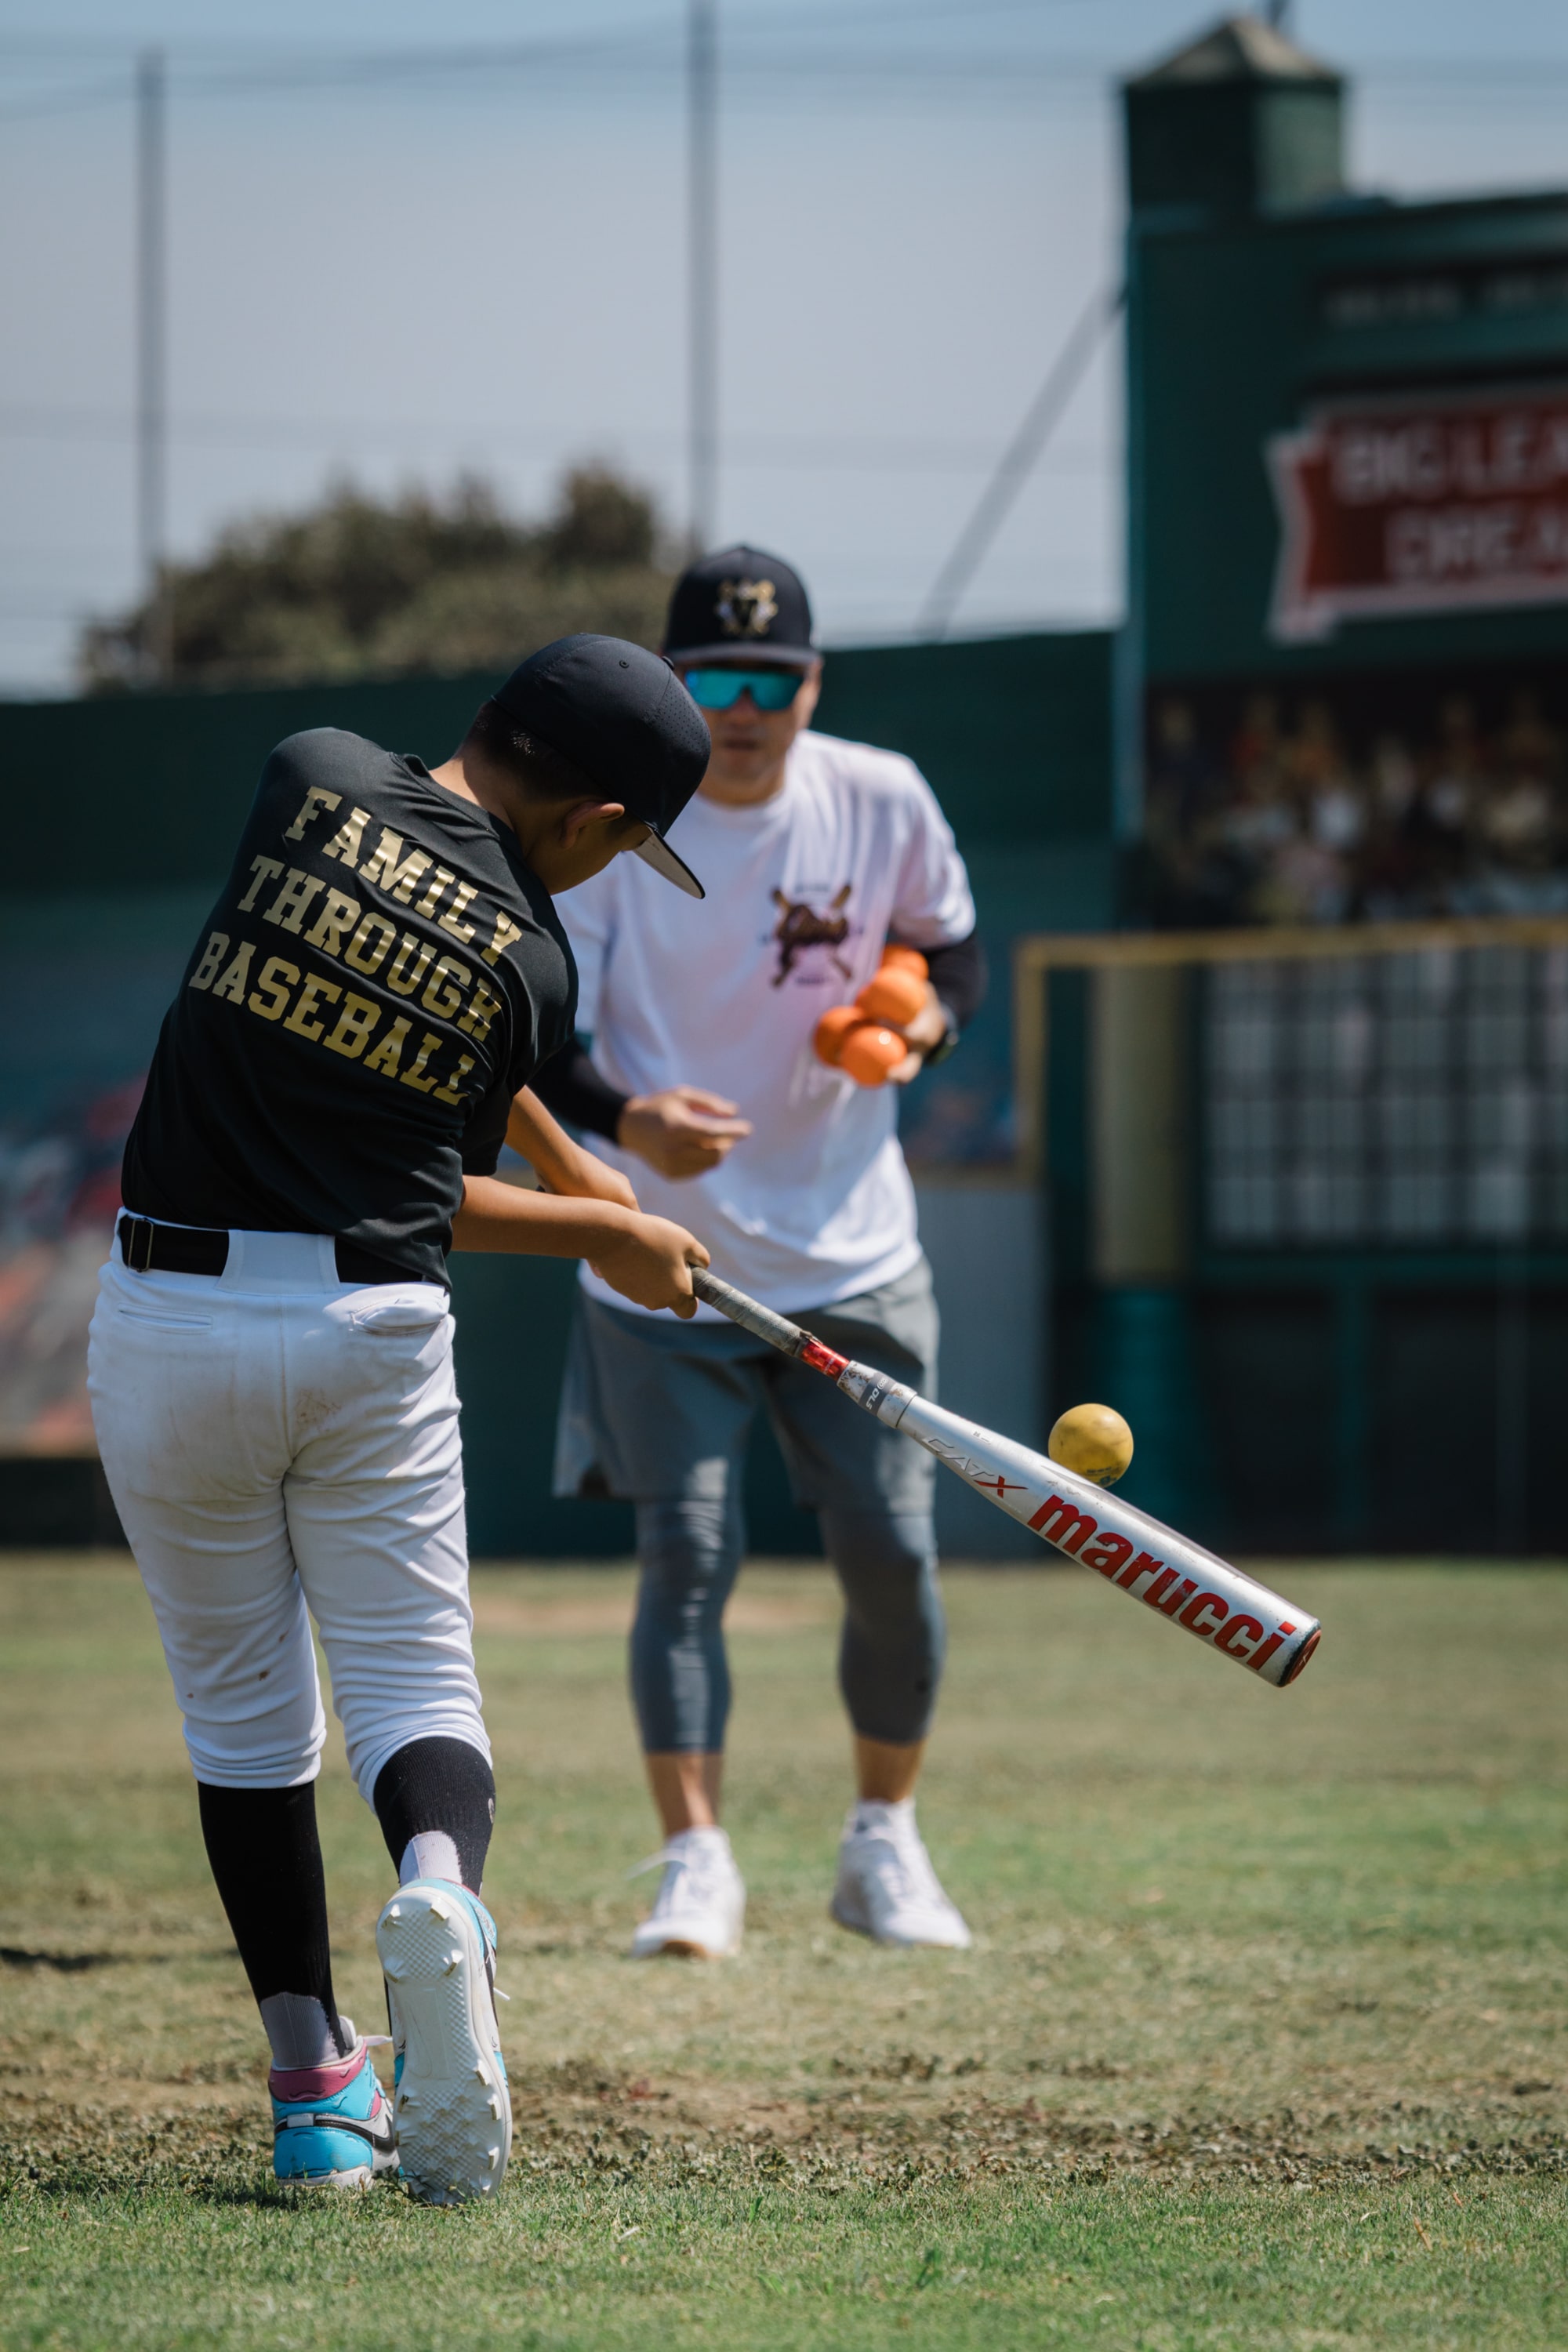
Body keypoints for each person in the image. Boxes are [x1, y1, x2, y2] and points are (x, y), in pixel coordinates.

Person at [87, 636, 711, 2201]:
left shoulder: (302, 773)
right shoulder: (532, 963)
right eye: (631, 840)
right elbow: (435, 1181)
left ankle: (313, 2095)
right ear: (591, 820)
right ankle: (438, 1885)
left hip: (170, 1320)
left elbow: (370, 985)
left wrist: (578, 1165)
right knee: (412, 1675)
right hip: (365, 1327)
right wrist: (610, 1232)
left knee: (244, 1720)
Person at [534, 546, 987, 1960]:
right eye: (713, 680)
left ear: (812, 686)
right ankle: (695, 1863)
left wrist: (918, 1025)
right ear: (673, 686)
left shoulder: (883, 794)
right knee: (688, 1559)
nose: (743, 709)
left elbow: (949, 953)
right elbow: (542, 1039)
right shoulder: (615, 824)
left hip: (857, 1257)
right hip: (669, 1263)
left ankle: (883, 1846)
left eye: (771, 681)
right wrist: (633, 1121)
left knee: (895, 1558)